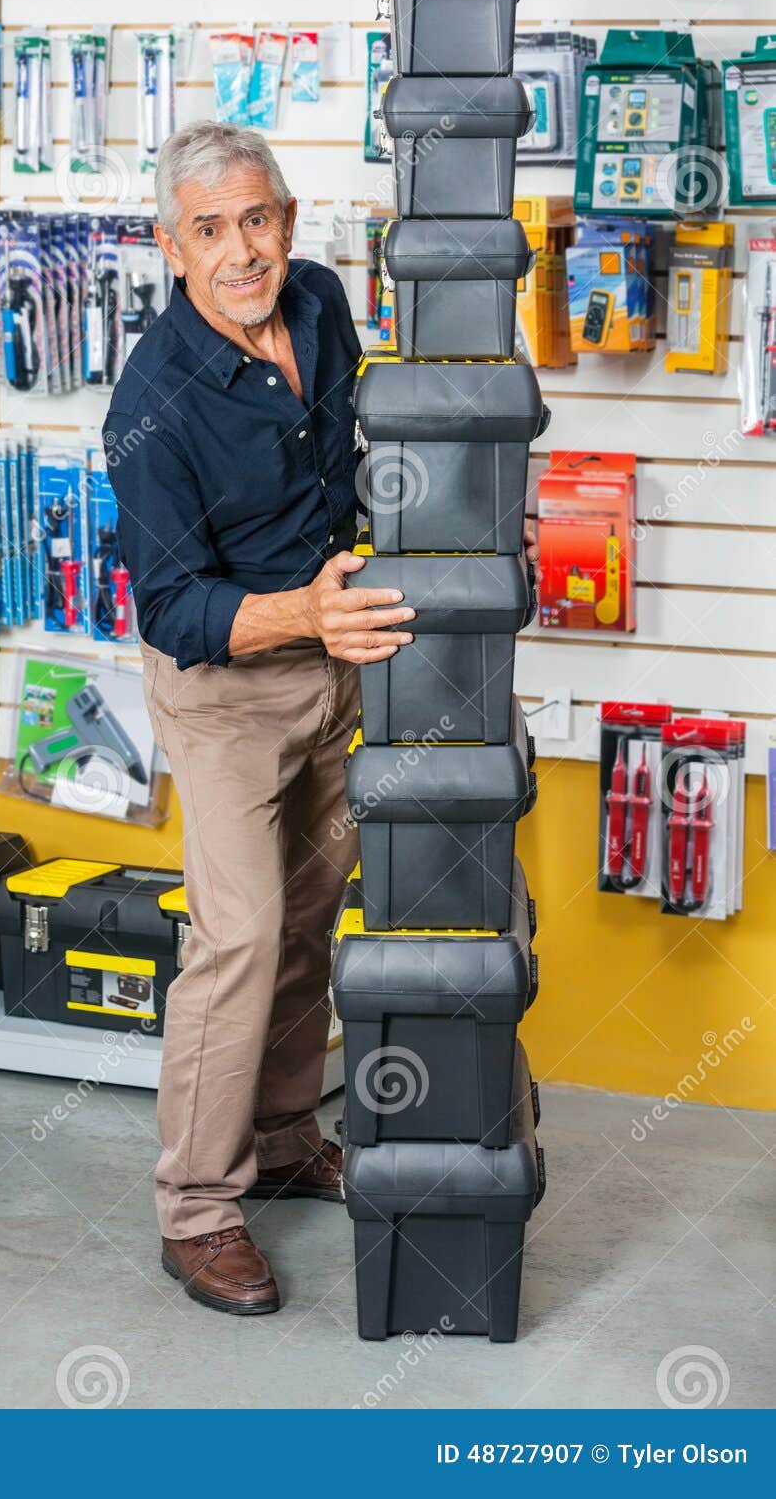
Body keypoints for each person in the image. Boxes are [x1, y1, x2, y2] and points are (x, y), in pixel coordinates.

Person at [104, 120, 539, 1316]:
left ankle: (288, 1133)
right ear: (170, 247)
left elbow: (354, 459)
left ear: (287, 222)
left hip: (341, 662)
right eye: (210, 230)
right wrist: (301, 609)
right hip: (229, 692)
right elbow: (174, 606)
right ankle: (194, 1207)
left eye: (256, 219)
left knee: (308, 919)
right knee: (237, 936)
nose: (240, 250)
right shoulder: (151, 401)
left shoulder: (318, 302)